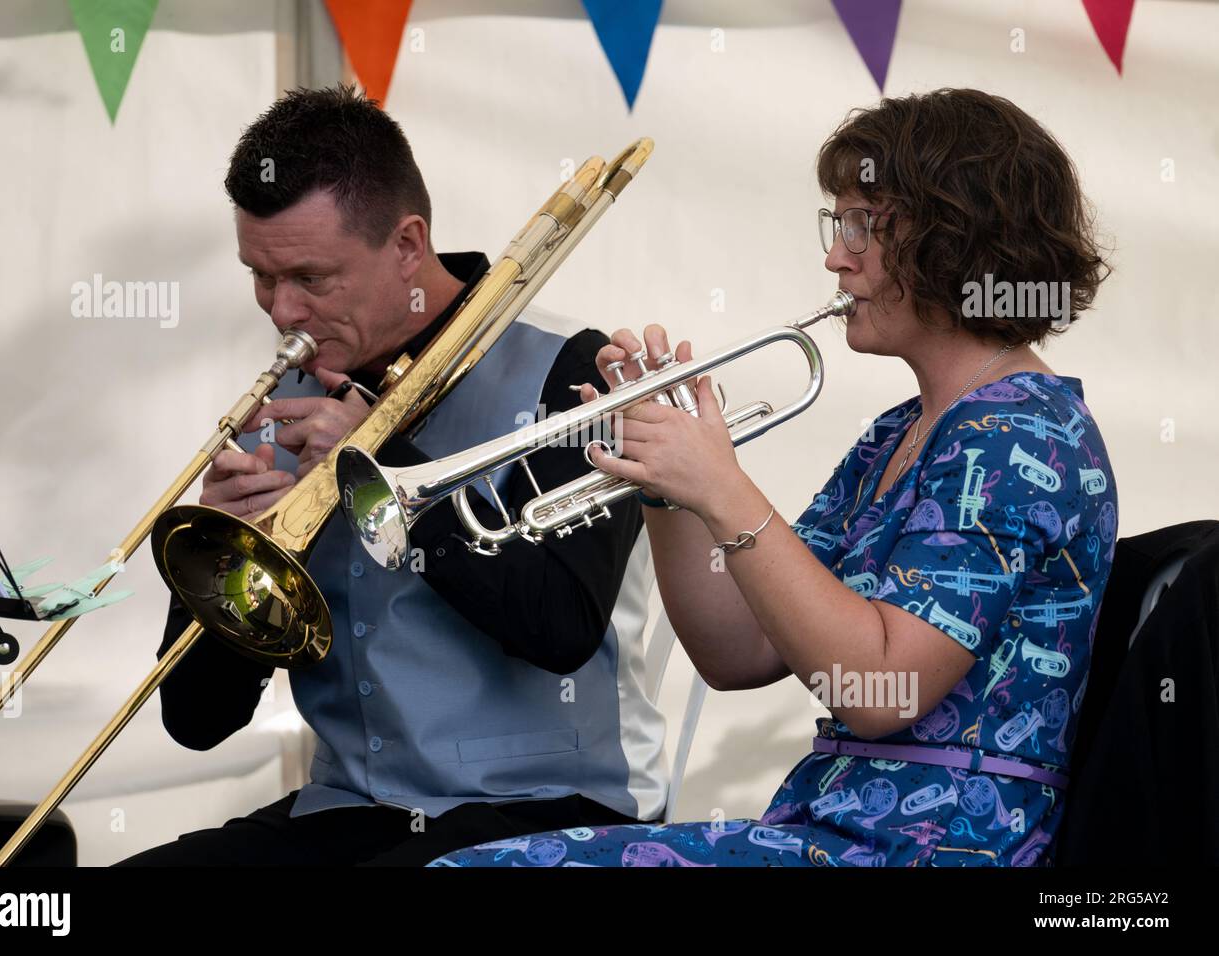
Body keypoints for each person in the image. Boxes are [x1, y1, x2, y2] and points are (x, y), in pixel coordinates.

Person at [432, 88, 1116, 867]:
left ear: (955, 241)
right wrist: (665, 476)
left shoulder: (1017, 434)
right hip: (836, 825)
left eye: (864, 225)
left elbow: (875, 692)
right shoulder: (903, 430)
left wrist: (724, 487)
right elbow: (738, 652)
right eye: (839, 224)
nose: (835, 256)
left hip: (936, 844)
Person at [117, 87, 667, 866]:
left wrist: (386, 477)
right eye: (261, 277)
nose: (281, 312)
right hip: (353, 808)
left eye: (311, 277)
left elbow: (560, 626)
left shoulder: (568, 372)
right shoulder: (293, 400)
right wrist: (228, 554)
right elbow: (198, 723)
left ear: (408, 245)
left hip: (549, 809)